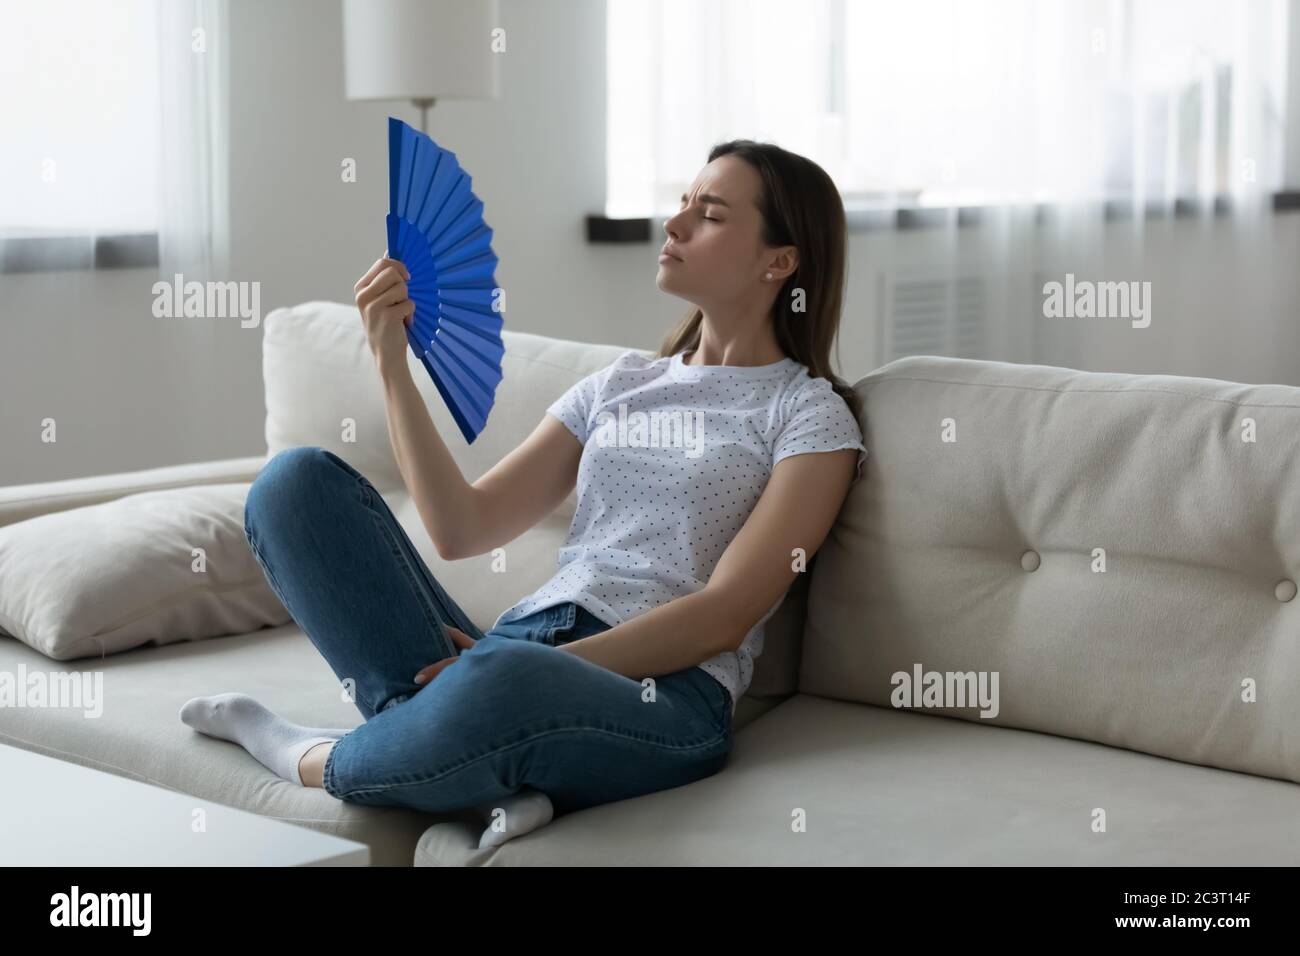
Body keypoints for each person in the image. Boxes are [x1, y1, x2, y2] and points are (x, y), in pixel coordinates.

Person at [180, 139, 868, 850]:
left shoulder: (808, 414)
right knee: (294, 486)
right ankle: (496, 775)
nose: (675, 224)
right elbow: (461, 528)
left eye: (711, 215)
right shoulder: (619, 385)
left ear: (779, 262)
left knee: (504, 682)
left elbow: (725, 615)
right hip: (517, 649)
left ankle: (311, 757)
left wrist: (529, 669)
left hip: (662, 692)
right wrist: (390, 361)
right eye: (683, 204)